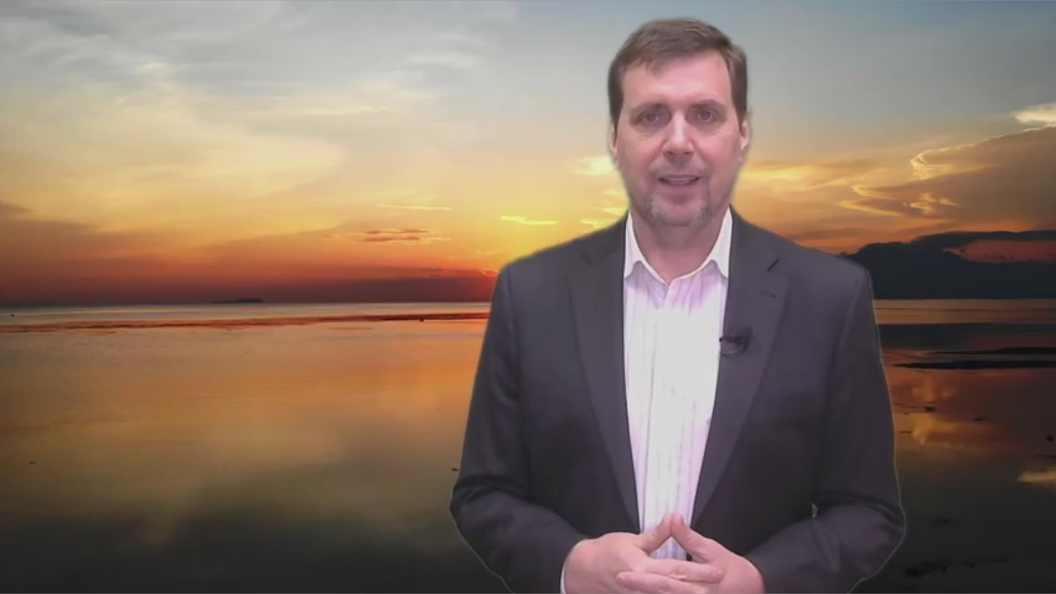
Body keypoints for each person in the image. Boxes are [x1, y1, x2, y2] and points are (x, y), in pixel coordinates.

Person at [449, 16, 905, 594]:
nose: (679, 142)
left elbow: (868, 512)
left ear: (743, 134)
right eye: (651, 116)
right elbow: (483, 495)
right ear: (615, 140)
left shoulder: (831, 298)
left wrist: (763, 580)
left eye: (706, 115)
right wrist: (570, 565)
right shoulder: (529, 294)